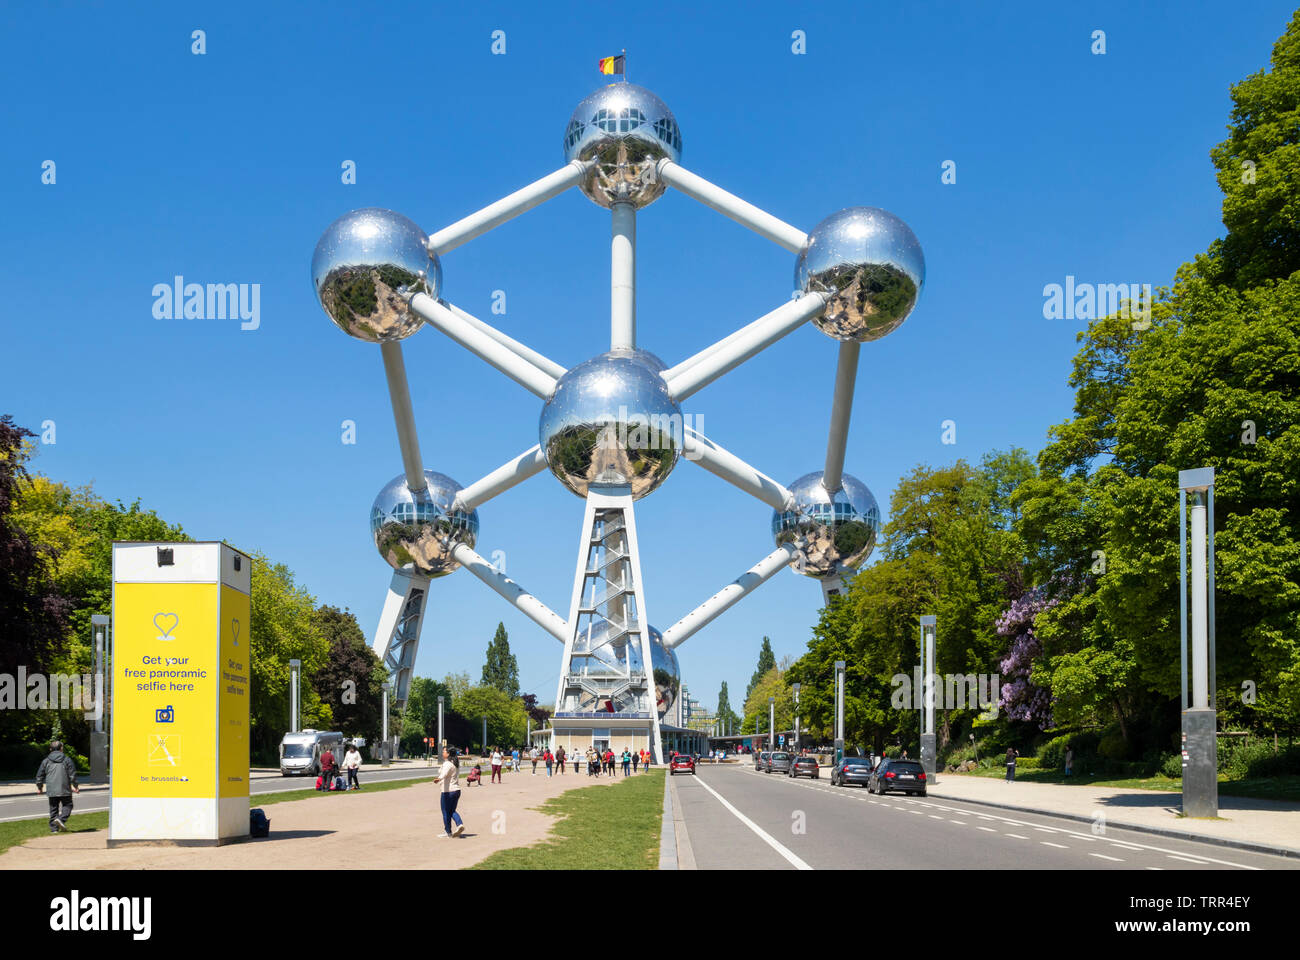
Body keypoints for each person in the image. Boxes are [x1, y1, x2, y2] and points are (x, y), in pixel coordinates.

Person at [35, 740, 79, 833]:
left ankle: (54, 829)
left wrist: (40, 787)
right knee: (68, 805)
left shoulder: (46, 761)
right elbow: (72, 775)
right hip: (65, 788)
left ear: (50, 749)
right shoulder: (67, 760)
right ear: (61, 749)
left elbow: (40, 776)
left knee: (53, 809)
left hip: (51, 789)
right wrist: (75, 786)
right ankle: (61, 819)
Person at [434, 747, 465, 838]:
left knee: (445, 812)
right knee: (452, 811)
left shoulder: (447, 763)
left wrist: (439, 779)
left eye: (443, 751)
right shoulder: (455, 763)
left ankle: (448, 832)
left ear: (448, 754)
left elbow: (443, 773)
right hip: (456, 790)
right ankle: (459, 824)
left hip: (448, 791)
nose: (442, 752)